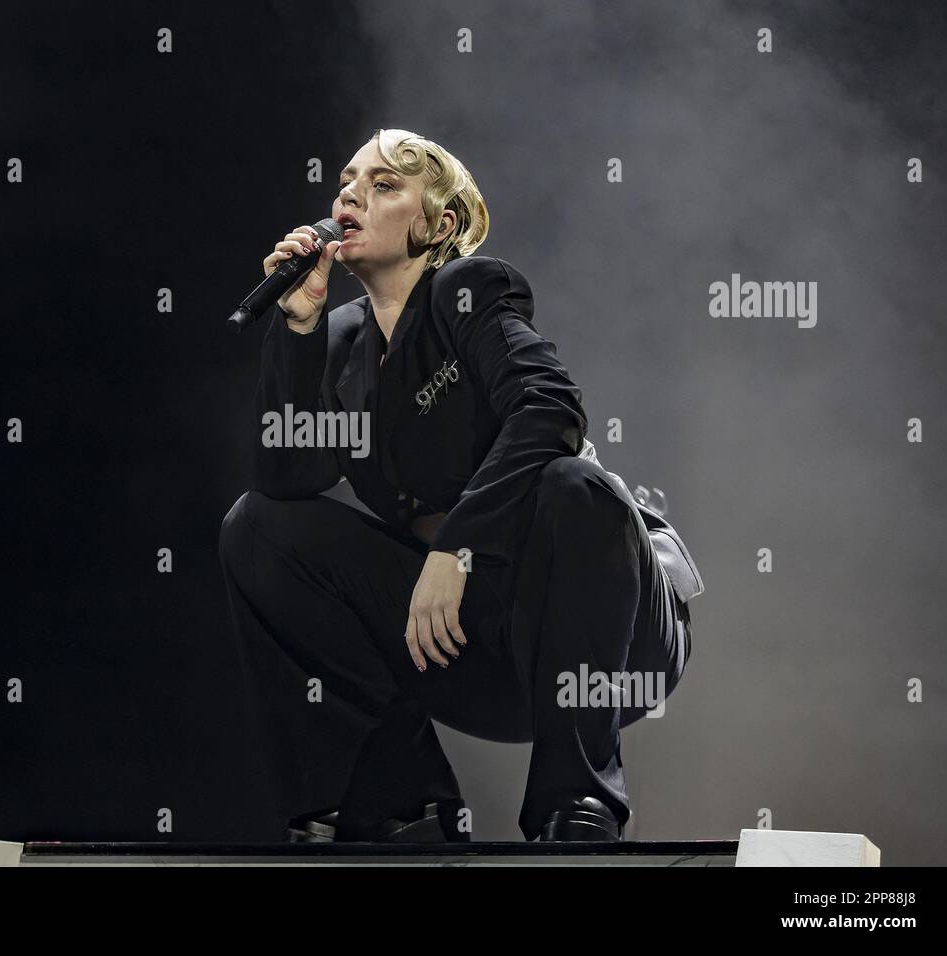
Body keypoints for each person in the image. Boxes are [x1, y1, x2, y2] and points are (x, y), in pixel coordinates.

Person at [219, 128, 695, 843]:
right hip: (472, 647)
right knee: (255, 527)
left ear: (438, 225)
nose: (351, 193)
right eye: (347, 181)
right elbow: (290, 476)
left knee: (576, 485)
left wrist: (456, 549)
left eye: (384, 186)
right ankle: (397, 800)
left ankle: (577, 805)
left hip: (606, 632)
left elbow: (551, 409)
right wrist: (297, 326)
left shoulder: (466, 289)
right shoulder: (341, 341)